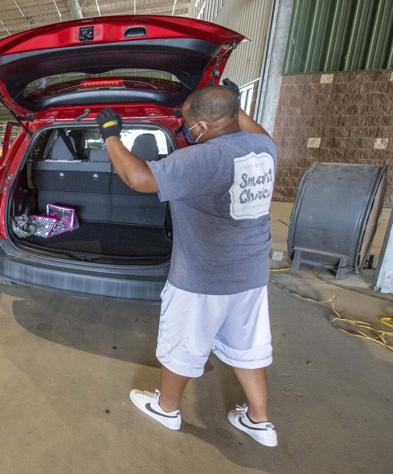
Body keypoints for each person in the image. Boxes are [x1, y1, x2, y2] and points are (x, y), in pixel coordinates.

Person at [97, 85, 279, 447]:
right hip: (251, 272)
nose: (186, 129)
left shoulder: (203, 159)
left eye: (187, 123)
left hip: (203, 276)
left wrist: (111, 137)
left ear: (202, 126)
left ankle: (166, 409)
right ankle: (260, 421)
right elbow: (251, 126)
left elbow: (137, 177)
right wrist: (236, 106)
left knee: (182, 346)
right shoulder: (263, 146)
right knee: (248, 346)